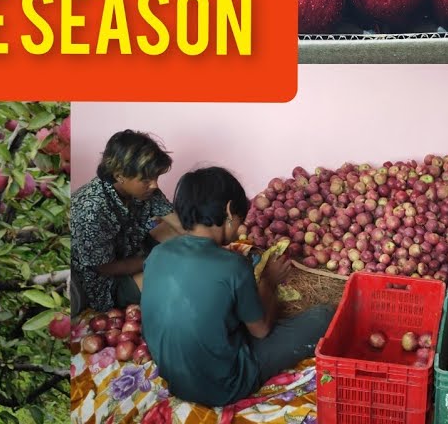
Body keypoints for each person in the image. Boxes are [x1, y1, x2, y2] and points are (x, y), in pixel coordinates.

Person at [140, 167, 334, 408]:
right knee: (324, 317)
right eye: (240, 220)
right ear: (230, 211)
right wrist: (268, 282)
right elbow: (260, 331)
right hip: (225, 386)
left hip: (176, 381)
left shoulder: (157, 254)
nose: (239, 229)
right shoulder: (232, 264)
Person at [70, 130, 184, 313]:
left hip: (130, 249)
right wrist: (154, 261)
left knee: (175, 233)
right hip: (106, 281)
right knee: (174, 278)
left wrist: (203, 246)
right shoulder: (90, 211)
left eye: (156, 178)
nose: (155, 185)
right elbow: (104, 267)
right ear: (119, 176)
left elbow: (176, 223)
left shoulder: (144, 190)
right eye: (146, 180)